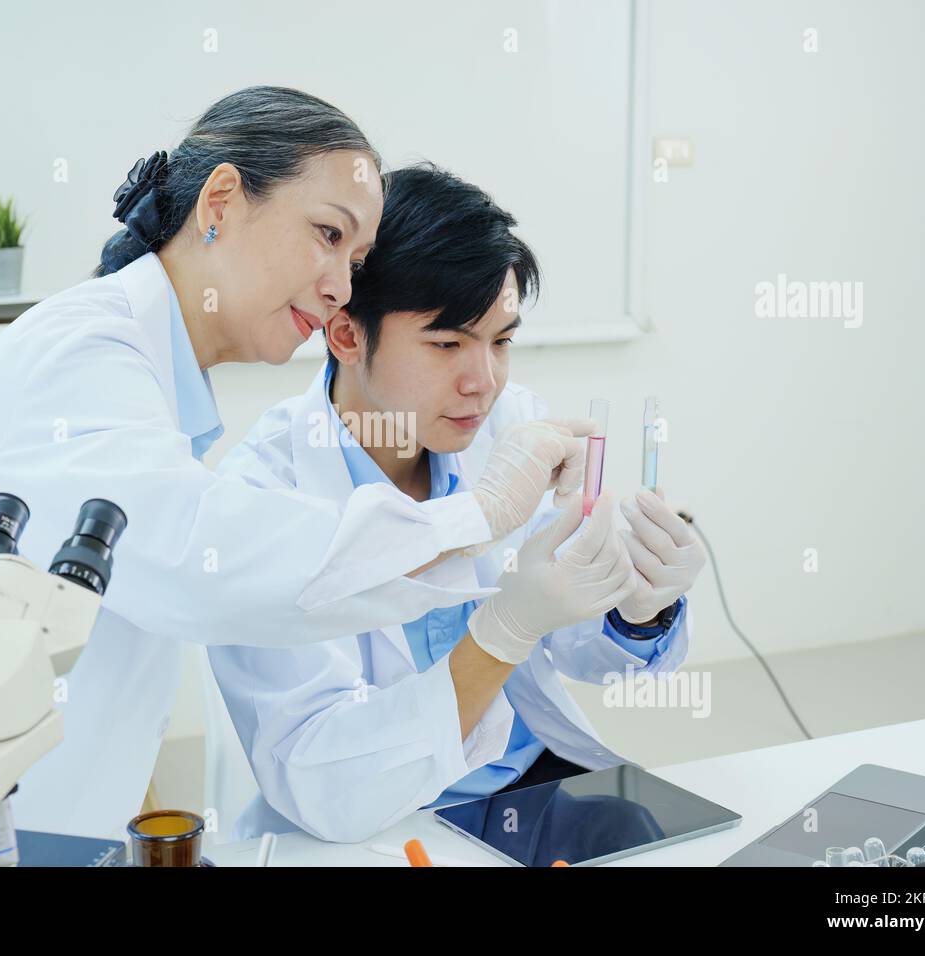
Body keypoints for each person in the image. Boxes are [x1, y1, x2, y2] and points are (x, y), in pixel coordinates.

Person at [0, 91, 591, 863]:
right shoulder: (84, 355)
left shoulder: (157, 394)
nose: (337, 287)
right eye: (326, 235)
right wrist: (473, 519)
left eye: (356, 264)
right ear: (220, 202)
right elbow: (204, 556)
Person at [208, 165, 706, 843]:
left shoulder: (506, 431)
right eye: (446, 344)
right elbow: (328, 779)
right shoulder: (262, 498)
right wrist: (503, 630)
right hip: (382, 818)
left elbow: (576, 647)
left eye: (500, 341)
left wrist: (637, 608)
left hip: (530, 782)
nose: (484, 383)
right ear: (347, 334)